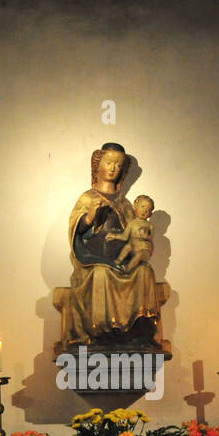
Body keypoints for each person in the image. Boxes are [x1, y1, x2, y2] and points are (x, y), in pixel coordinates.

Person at [61, 143, 162, 349]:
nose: (113, 168)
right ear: (97, 165)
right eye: (108, 162)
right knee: (101, 274)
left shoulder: (125, 204)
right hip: (94, 261)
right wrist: (89, 217)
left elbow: (132, 231)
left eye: (118, 164)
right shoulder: (87, 198)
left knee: (144, 272)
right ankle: (101, 334)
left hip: (122, 261)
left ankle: (139, 332)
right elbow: (75, 230)